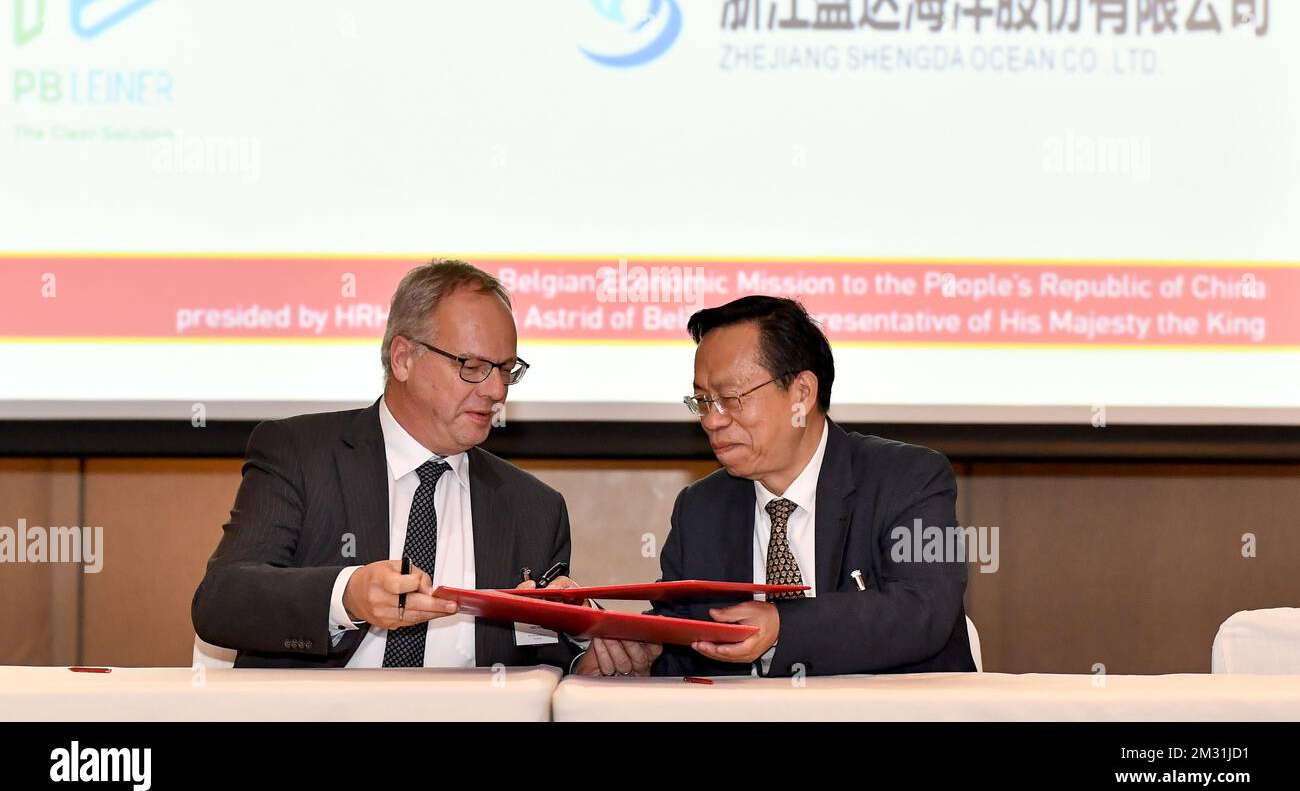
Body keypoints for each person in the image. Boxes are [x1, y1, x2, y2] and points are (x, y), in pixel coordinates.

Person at [192, 259, 583, 669]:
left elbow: (541, 661)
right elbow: (221, 600)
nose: (495, 390)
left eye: (506, 370)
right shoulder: (300, 455)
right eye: (472, 367)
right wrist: (347, 594)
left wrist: (588, 653)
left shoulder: (535, 508)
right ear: (403, 359)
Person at [577, 295, 975, 678]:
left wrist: (784, 625)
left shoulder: (909, 478)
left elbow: (924, 610)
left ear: (801, 393)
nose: (712, 421)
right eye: (702, 401)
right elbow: (687, 650)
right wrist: (643, 656)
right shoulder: (701, 508)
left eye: (731, 398)